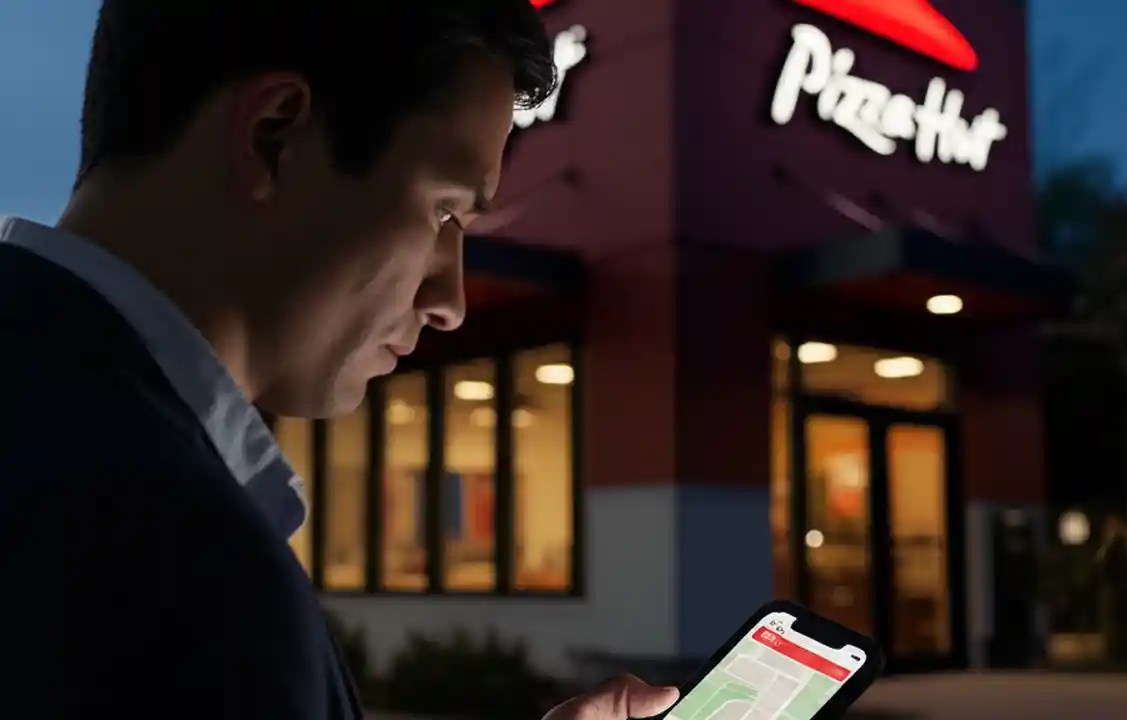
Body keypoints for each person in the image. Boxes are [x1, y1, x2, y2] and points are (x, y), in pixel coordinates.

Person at [0, 1, 678, 718]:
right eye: (445, 213)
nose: (449, 301)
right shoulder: (172, 561)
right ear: (275, 137)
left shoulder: (49, 426)